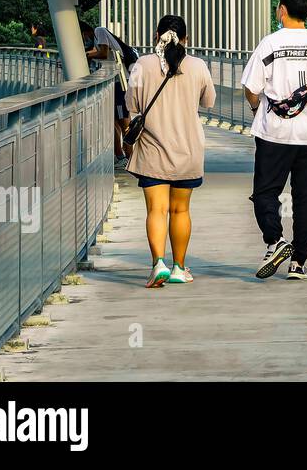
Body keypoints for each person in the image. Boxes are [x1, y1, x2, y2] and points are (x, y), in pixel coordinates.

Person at [242, 0, 307, 282]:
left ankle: (275, 241)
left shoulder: (270, 44)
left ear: (282, 10)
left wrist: (256, 109)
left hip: (274, 132)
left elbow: (251, 88)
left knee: (265, 191)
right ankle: (298, 262)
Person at [125, 15, 216, 288]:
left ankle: (158, 264)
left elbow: (131, 103)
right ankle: (179, 267)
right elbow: (209, 101)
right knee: (180, 211)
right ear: (186, 39)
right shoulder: (198, 66)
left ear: (156, 35)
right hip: (187, 150)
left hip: (153, 150)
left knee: (157, 209)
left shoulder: (142, 64)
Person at [81, 21, 139, 164]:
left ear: (82, 31)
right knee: (113, 122)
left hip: (121, 81)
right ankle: (120, 156)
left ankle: (131, 157)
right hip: (114, 82)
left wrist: (86, 56)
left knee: (124, 121)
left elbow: (103, 53)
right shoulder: (95, 38)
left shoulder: (99, 30)